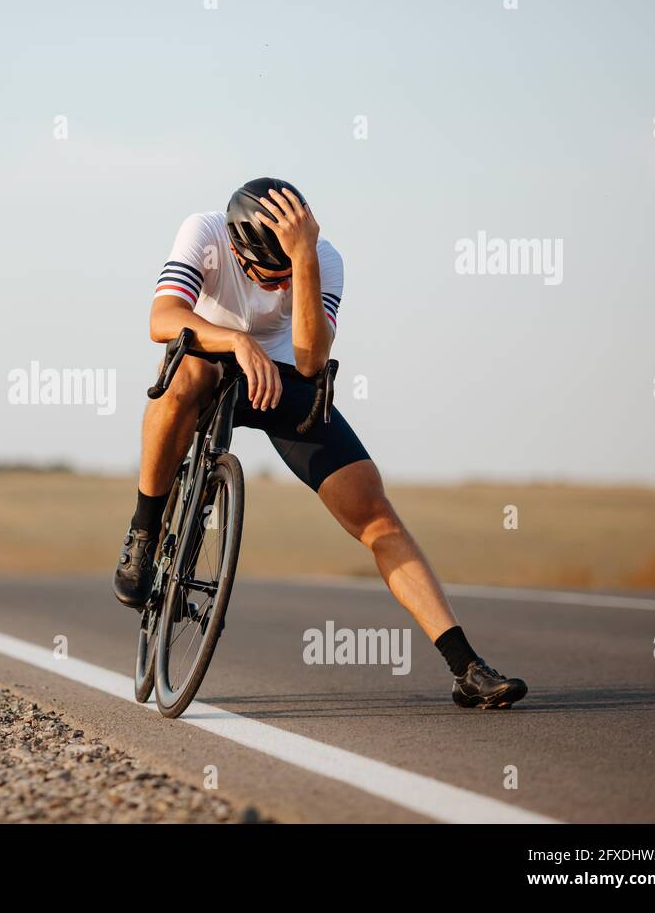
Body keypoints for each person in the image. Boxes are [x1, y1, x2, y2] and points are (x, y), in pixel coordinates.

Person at [113, 177, 528, 709]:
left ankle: (466, 666)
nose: (283, 288)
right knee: (181, 379)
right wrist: (238, 341)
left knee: (376, 516)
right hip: (211, 359)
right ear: (239, 251)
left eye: (291, 275)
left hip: (284, 380)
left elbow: (310, 359)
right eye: (273, 277)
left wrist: (303, 257)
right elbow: (162, 319)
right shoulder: (205, 232)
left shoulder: (323, 258)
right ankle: (145, 532)